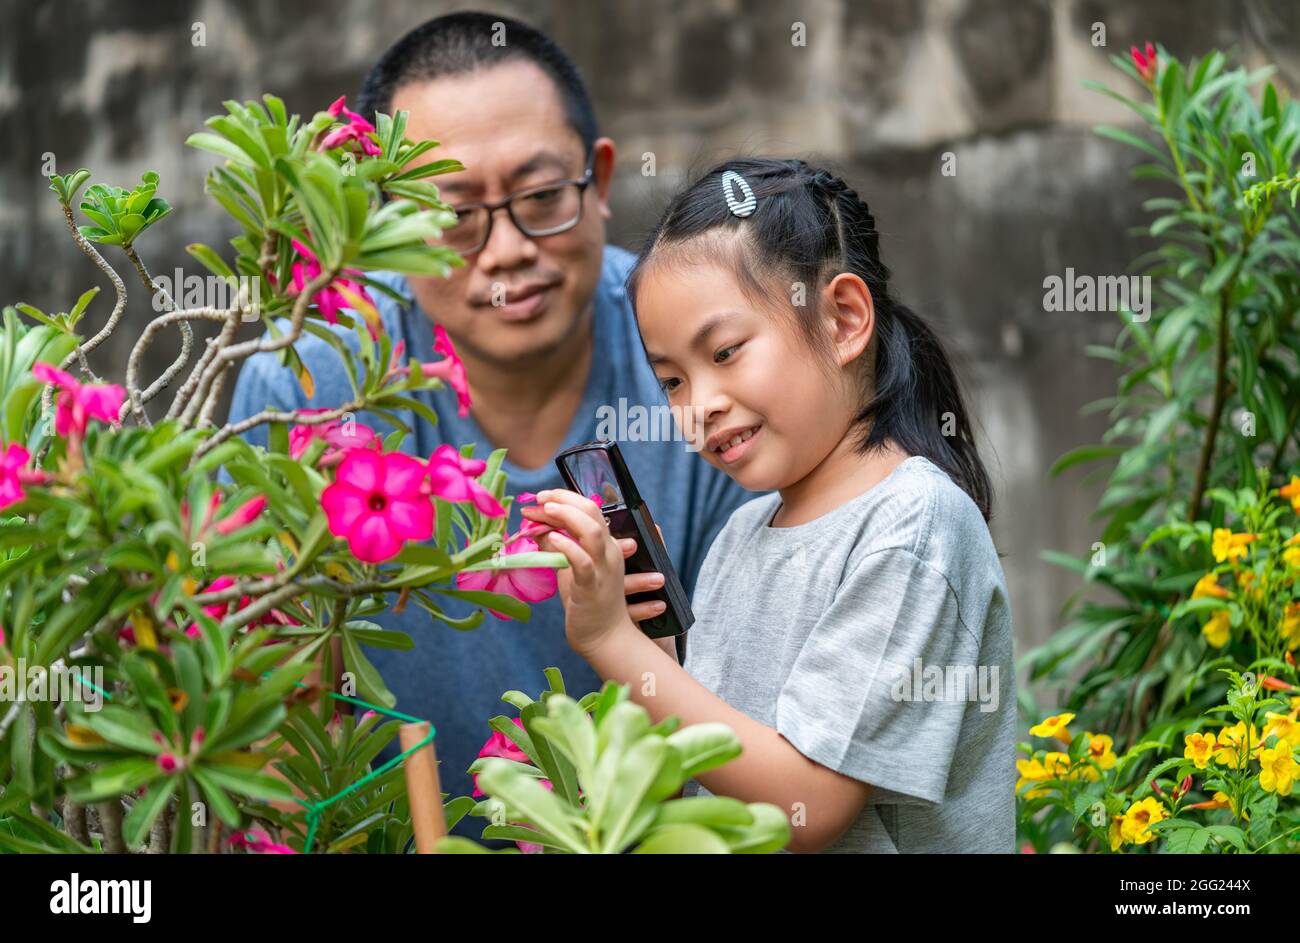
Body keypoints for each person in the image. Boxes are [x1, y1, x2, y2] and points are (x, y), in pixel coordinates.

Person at [224, 12, 755, 829]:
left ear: (600, 180)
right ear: (382, 225)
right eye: (453, 214)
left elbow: (757, 696)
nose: (506, 248)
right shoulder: (306, 379)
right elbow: (255, 699)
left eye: (543, 197)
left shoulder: (698, 357)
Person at [522, 158, 1017, 853]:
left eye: (724, 351)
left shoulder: (910, 526)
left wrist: (612, 642)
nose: (698, 406)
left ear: (844, 318)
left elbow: (806, 804)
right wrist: (649, 640)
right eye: (671, 381)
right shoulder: (743, 531)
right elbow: (689, 780)